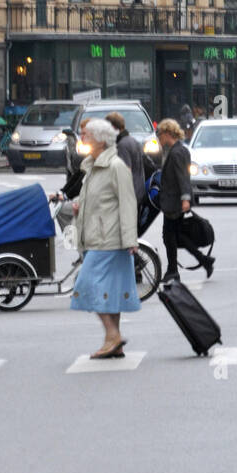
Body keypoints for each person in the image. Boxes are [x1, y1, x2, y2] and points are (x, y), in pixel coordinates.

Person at [68, 118, 140, 359]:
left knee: (86, 285)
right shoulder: (92, 165)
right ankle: (113, 341)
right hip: (99, 237)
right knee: (111, 292)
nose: (83, 139)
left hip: (110, 240)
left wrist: (131, 239)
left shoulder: (116, 166)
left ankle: (113, 335)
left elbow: (128, 204)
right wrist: (79, 206)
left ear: (100, 140)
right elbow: (98, 199)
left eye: (87, 135)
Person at [156, 119, 214, 281]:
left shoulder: (177, 153)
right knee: (174, 236)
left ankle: (174, 270)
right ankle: (202, 261)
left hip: (175, 202)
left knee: (170, 236)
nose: (159, 137)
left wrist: (185, 199)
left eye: (160, 134)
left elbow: (183, 177)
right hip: (173, 201)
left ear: (167, 133)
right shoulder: (177, 150)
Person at [108, 111, 146, 206]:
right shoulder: (133, 141)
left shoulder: (122, 145)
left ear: (113, 127)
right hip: (138, 191)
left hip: (130, 195)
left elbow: (125, 172)